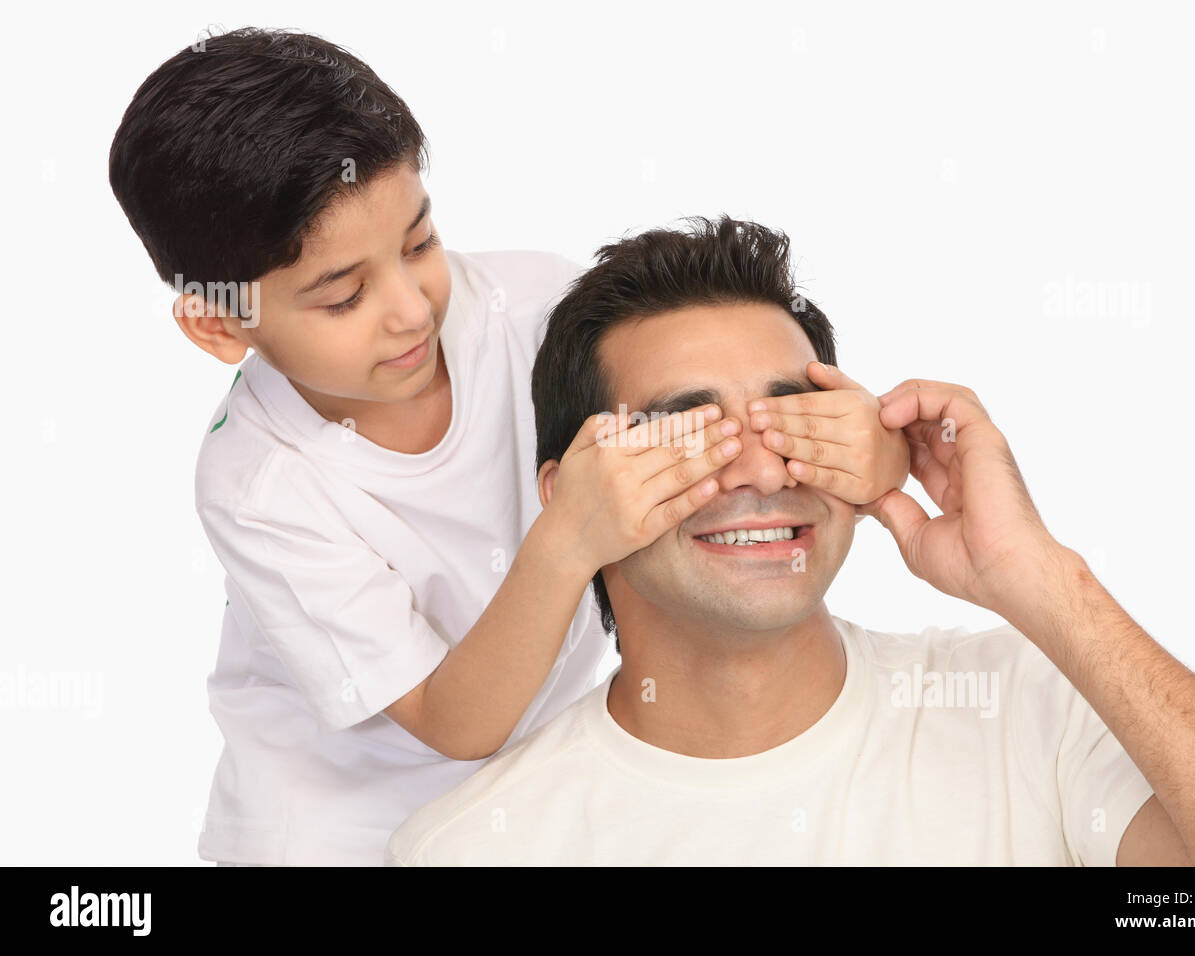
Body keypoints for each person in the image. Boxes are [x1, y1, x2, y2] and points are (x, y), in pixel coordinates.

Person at [107, 30, 907, 865]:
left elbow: (709, 420)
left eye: (418, 244)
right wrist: (566, 542)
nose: (412, 310)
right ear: (220, 322)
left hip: (536, 782)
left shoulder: (527, 307)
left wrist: (869, 459)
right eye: (343, 296)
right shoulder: (258, 485)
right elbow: (455, 724)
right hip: (340, 822)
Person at [388, 214, 1195, 865]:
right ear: (571, 498)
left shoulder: (1027, 710)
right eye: (687, 436)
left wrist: (1043, 582)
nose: (763, 472)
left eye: (797, 425)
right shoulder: (470, 847)